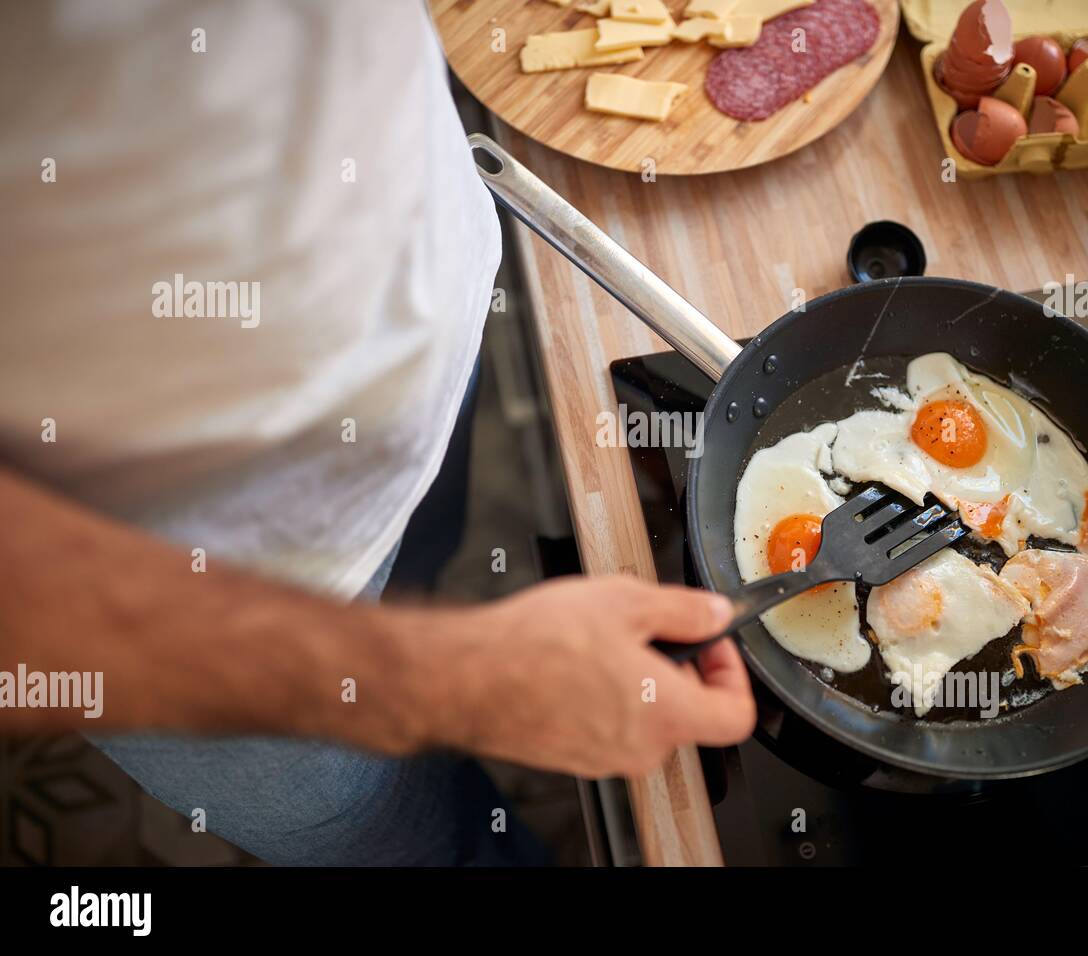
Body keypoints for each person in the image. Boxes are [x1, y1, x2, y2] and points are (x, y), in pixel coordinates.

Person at [0, 0, 755, 865]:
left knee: (428, 566)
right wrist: (450, 681)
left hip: (419, 314)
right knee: (418, 846)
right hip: (181, 606)